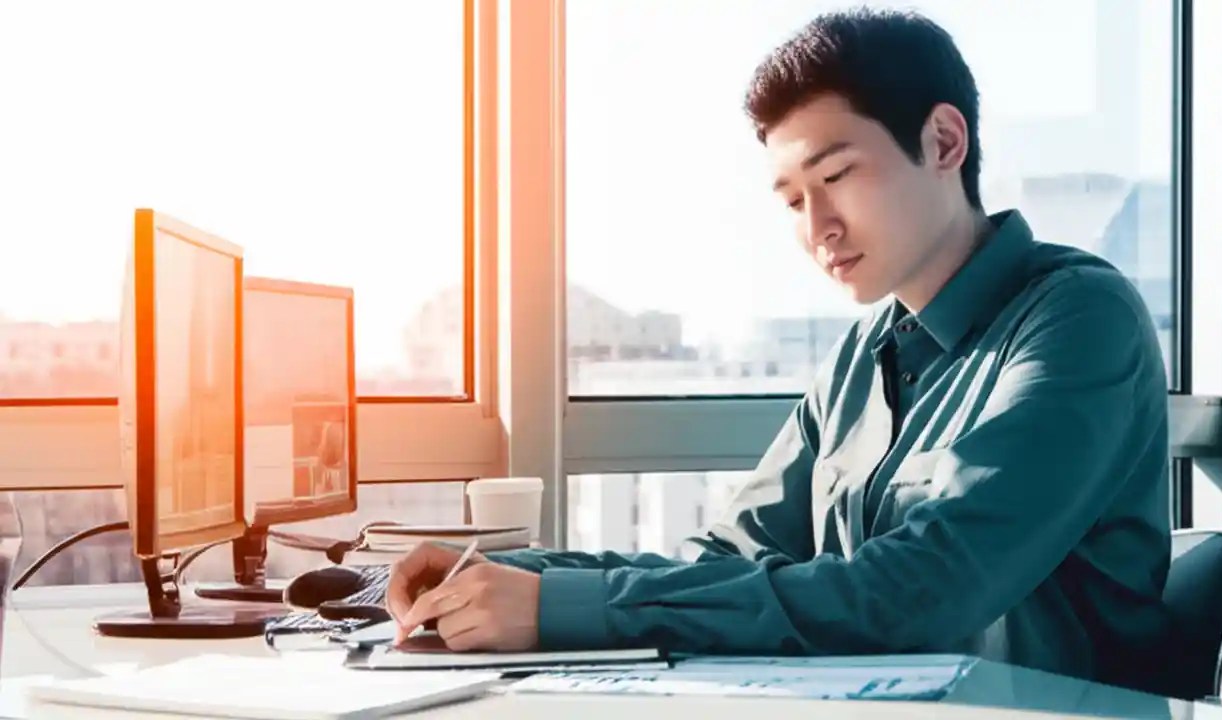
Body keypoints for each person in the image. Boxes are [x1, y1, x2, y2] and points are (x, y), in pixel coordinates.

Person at [385, 7, 1173, 694]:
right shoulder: (863, 356)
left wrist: (555, 611)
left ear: (942, 141)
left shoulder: (1079, 320)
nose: (817, 227)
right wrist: (517, 580)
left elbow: (925, 588)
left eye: (837, 176)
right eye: (793, 200)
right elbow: (730, 560)